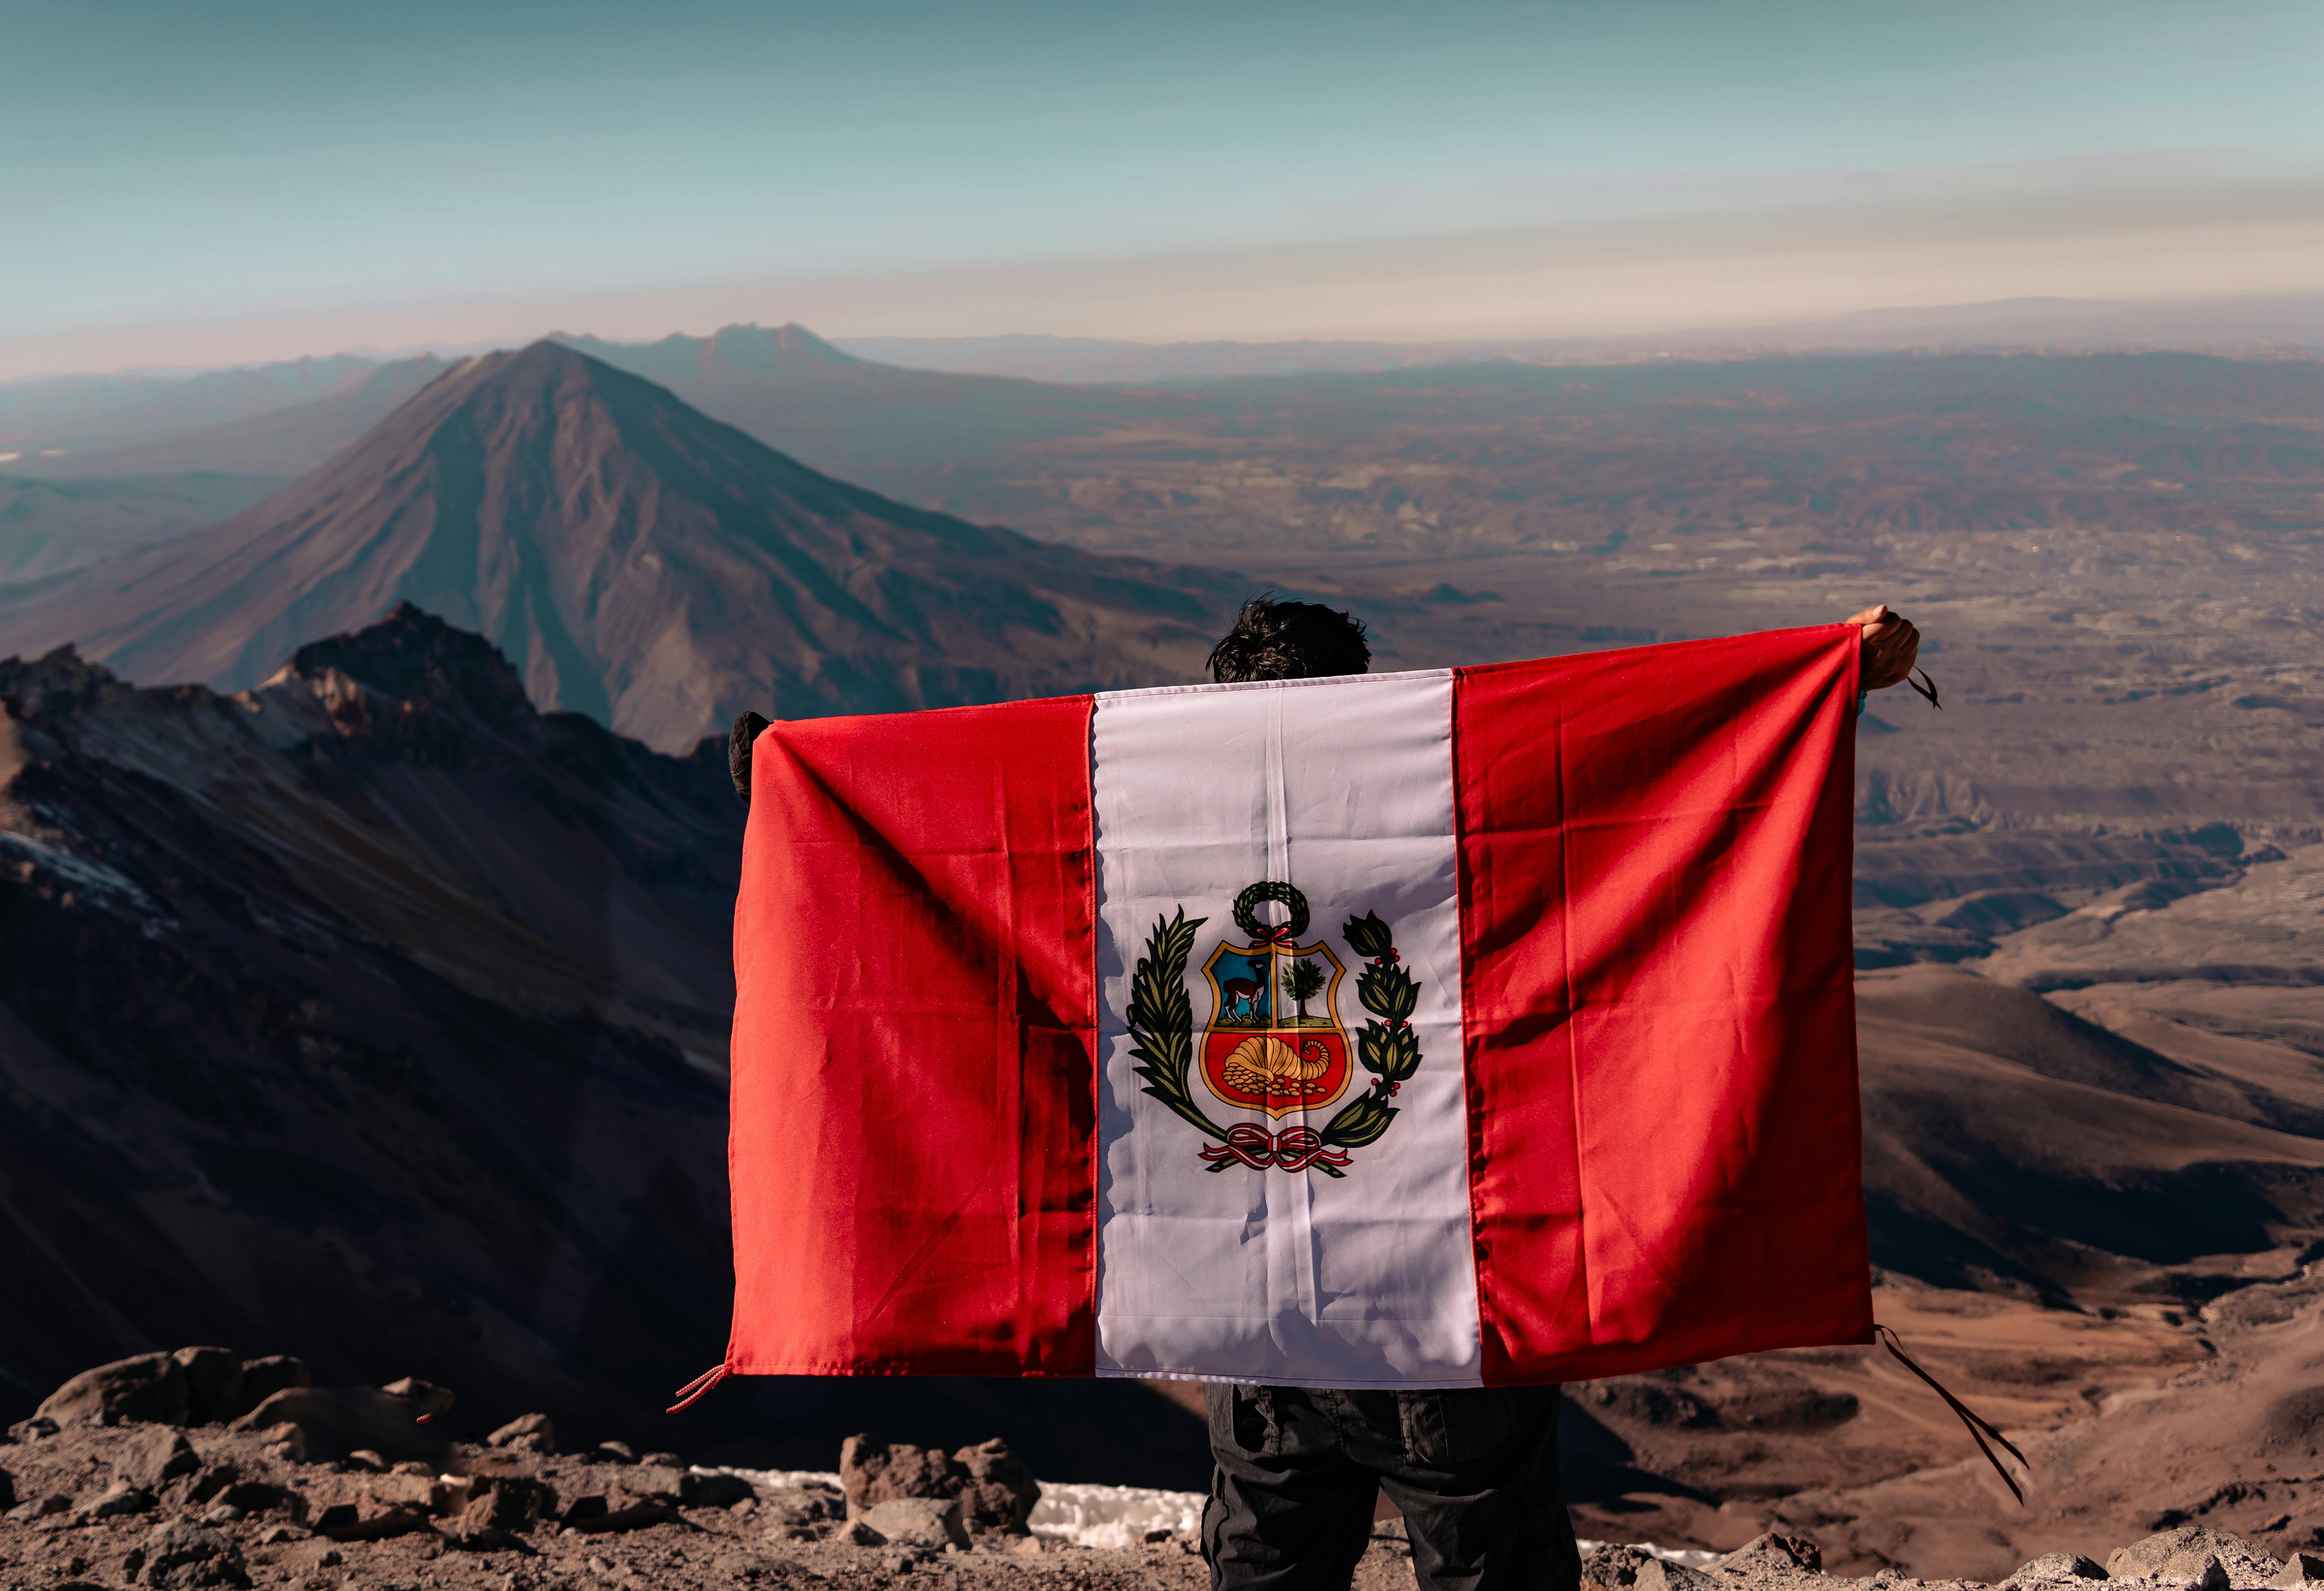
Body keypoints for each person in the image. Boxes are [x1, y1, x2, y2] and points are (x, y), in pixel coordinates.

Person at [726, 596, 1924, 1591]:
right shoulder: (1439, 798)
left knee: (1269, 1571)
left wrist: (793, 775)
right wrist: (1830, 677)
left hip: (1257, 1328)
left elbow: (966, 832)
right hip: (1440, 1320)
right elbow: (1629, 772)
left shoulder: (1149, 833)